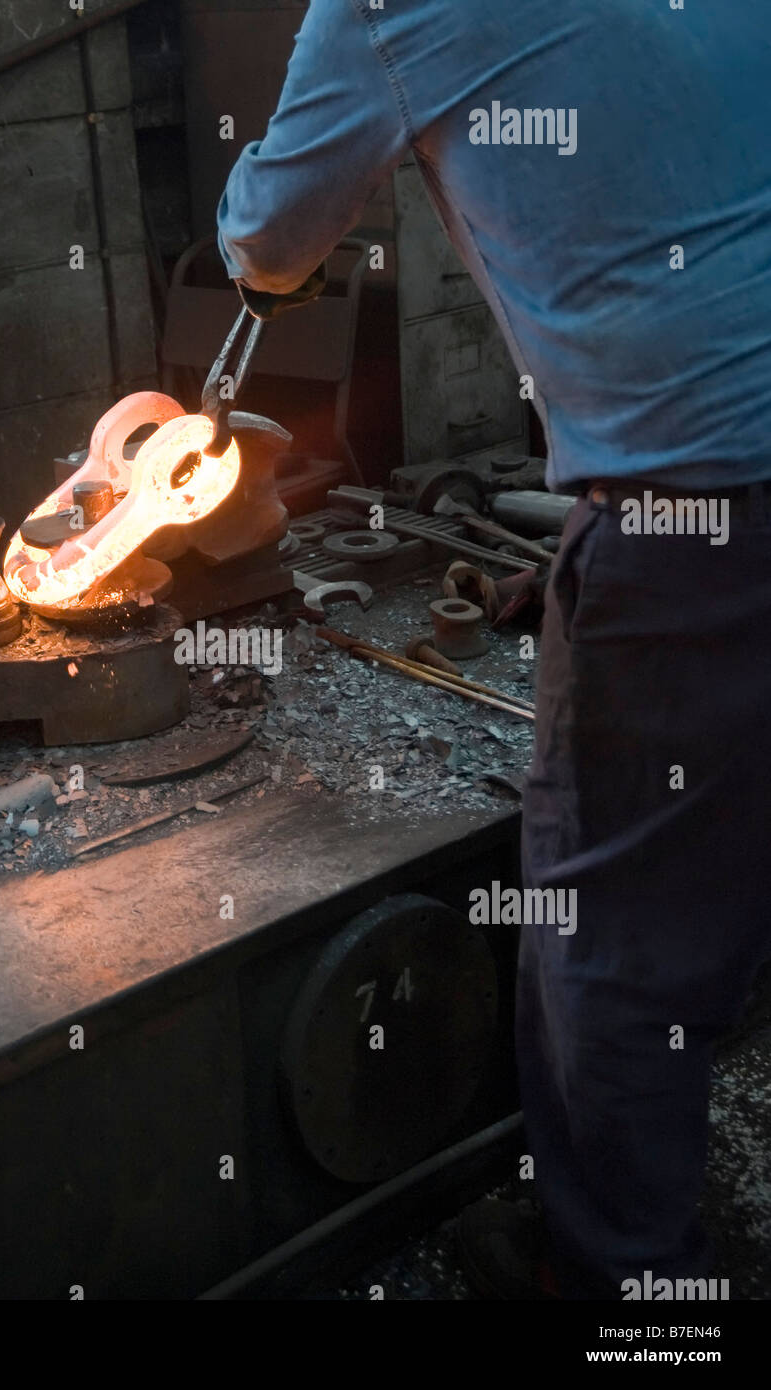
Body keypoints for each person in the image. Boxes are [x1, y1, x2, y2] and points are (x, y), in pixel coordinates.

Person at [217, 0, 771, 1300]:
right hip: (702, 511)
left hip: (697, 510)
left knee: (606, 952)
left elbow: (268, 238)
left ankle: (636, 1295)